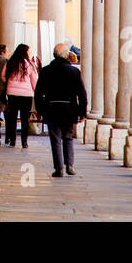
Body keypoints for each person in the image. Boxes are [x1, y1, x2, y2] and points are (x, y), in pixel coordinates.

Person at [35, 43, 89, 177]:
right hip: (69, 109)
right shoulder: (74, 71)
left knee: (55, 139)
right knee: (68, 137)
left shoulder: (46, 71)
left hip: (52, 108)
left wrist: (41, 110)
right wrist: (82, 112)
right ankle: (70, 165)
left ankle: (59, 168)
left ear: (54, 55)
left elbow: (38, 93)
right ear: (66, 55)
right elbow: (82, 93)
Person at [3, 44, 38, 148]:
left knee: (12, 118)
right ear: (25, 52)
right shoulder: (30, 65)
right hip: (26, 94)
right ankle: (24, 141)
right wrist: (34, 90)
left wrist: (10, 83)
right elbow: (34, 80)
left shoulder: (10, 62)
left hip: (12, 93)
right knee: (24, 119)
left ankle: (12, 141)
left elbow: (3, 76)